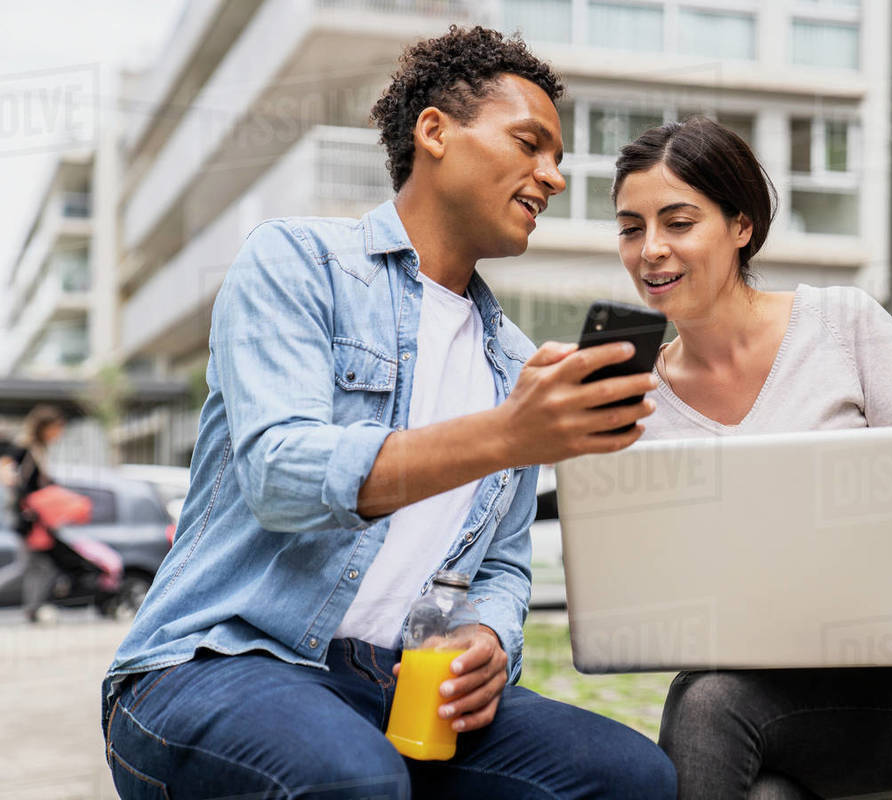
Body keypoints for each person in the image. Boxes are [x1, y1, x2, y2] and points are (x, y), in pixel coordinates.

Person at [101, 27, 674, 799]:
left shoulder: (513, 360)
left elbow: (501, 564)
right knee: (352, 778)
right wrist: (505, 435)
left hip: (399, 683)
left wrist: (488, 634)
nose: (553, 177)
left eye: (559, 160)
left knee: (630, 776)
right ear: (434, 131)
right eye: (530, 144)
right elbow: (281, 472)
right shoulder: (298, 262)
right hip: (221, 660)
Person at [611, 117, 892, 800]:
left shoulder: (844, 325)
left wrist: (857, 610)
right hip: (742, 688)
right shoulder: (637, 402)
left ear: (741, 226)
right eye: (632, 228)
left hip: (891, 691)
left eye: (678, 221)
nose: (651, 250)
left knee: (707, 703)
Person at [0, 404, 68, 622]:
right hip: (29, 519)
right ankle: (32, 609)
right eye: (56, 428)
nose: (59, 433)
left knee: (35, 567)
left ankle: (32, 609)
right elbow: (10, 471)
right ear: (44, 427)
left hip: (36, 519)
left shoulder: (38, 449)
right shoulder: (25, 448)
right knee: (32, 567)